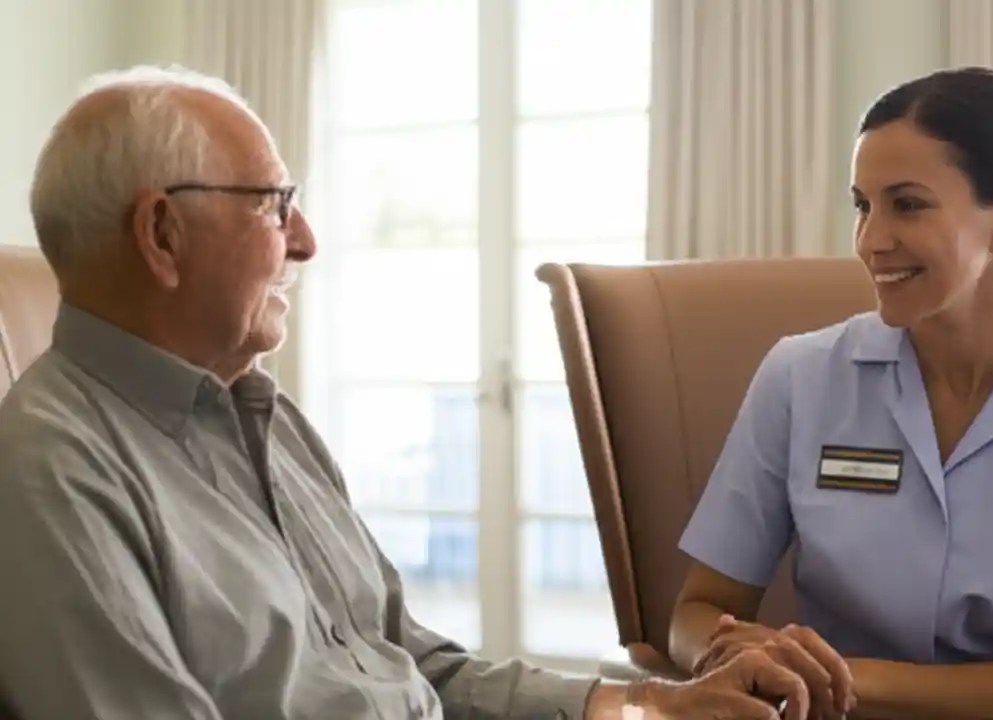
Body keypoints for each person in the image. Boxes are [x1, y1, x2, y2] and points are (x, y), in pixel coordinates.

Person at [0, 67, 812, 720]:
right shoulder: (51, 472)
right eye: (275, 205)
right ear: (162, 234)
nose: (307, 241)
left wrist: (646, 708)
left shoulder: (266, 419)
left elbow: (413, 664)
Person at [669, 66, 993, 720]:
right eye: (862, 205)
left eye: (908, 204)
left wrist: (829, 675)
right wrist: (730, 653)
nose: (872, 239)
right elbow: (696, 612)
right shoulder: (799, 377)